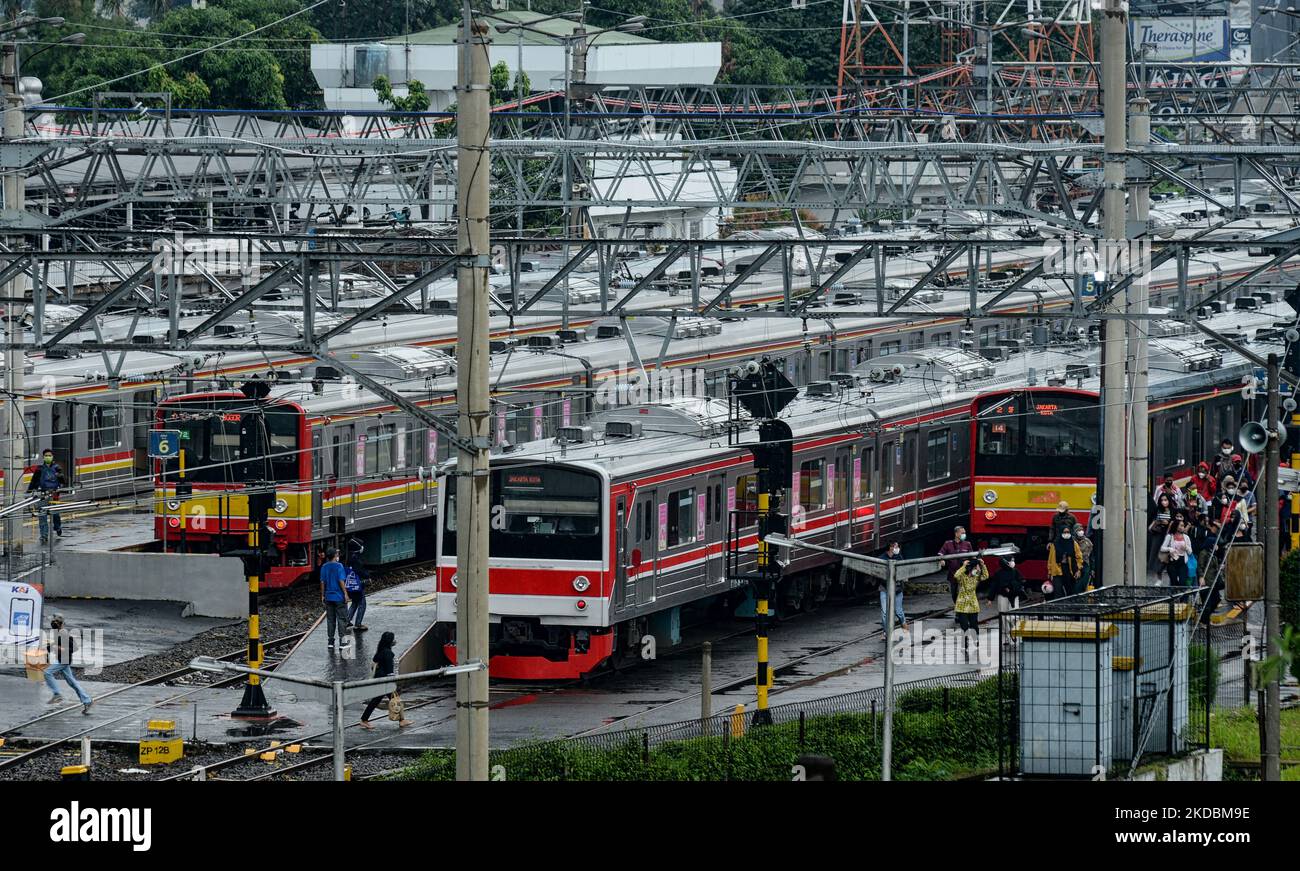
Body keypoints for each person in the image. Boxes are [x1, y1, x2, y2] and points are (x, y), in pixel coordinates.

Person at [358, 631, 412, 729]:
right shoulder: (388, 653)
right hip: (385, 681)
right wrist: (393, 682)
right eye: (393, 639)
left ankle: (365, 720)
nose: (395, 641)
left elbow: (374, 660)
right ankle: (401, 720)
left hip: (379, 679)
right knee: (395, 699)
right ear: (390, 641)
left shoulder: (381, 650)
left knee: (379, 700)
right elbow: (389, 670)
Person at [43, 614, 92, 714]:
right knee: (72, 682)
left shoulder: (64, 634)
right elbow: (56, 645)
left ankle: (57, 695)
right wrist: (48, 646)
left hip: (64, 660)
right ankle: (87, 700)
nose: (53, 625)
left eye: (55, 623)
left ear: (60, 625)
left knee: (47, 672)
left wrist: (60, 648)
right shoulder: (58, 633)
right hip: (62, 659)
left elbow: (74, 648)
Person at [27, 448, 66, 544]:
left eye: (49, 455)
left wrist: (61, 478)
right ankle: (44, 535)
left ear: (52, 457)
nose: (48, 457)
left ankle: (57, 527)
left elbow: (63, 482)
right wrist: (29, 491)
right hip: (42, 494)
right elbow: (34, 481)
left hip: (54, 495)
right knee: (42, 515)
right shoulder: (40, 469)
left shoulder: (57, 468)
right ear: (43, 457)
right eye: (46, 456)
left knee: (55, 514)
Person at [320, 547, 350, 650]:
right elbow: (341, 580)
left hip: (329, 597)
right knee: (342, 619)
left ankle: (331, 642)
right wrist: (345, 593)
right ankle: (342, 643)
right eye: (337, 554)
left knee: (330, 620)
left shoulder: (324, 567)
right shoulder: (339, 566)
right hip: (338, 597)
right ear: (334, 556)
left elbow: (323, 582)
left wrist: (323, 595)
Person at [938, 526, 973, 602]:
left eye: (965, 533)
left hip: (965, 573)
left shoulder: (967, 544)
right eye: (962, 533)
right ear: (956, 534)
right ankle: (956, 606)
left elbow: (972, 557)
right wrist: (942, 559)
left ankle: (962, 608)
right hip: (953, 573)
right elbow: (941, 553)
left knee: (964, 592)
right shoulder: (948, 544)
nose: (964, 534)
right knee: (954, 592)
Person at [952, 557, 985, 634]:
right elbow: (956, 575)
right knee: (964, 626)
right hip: (962, 605)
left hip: (973, 604)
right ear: (971, 568)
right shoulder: (962, 576)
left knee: (974, 625)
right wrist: (964, 566)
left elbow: (986, 576)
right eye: (976, 567)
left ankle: (976, 641)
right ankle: (965, 642)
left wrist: (983, 565)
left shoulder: (976, 577)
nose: (978, 569)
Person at [1047, 527, 1083, 598]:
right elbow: (1050, 559)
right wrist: (1050, 572)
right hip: (1057, 570)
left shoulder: (1074, 543)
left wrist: (1078, 569)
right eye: (1064, 532)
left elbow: (1079, 558)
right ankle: (1058, 607)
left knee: (1070, 591)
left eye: (1068, 532)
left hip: (1070, 569)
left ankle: (1069, 607)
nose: (1066, 534)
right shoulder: (1055, 544)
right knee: (1058, 592)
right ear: (1061, 533)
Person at [987, 555, 1024, 622]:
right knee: (1003, 615)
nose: (1013, 562)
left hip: (1014, 596)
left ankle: (1013, 631)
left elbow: (1021, 582)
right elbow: (994, 586)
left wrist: (1012, 586)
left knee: (1014, 616)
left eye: (1013, 560)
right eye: (1011, 560)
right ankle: (1005, 631)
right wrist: (990, 598)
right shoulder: (998, 573)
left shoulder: (1015, 571)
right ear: (1006, 562)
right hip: (1003, 596)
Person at [345, 539, 371, 632]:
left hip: (351, 585)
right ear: (357, 548)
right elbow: (360, 571)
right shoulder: (356, 559)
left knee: (355, 603)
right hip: (357, 585)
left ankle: (347, 621)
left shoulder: (349, 557)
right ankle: (358, 624)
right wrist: (367, 575)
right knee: (362, 604)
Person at [879, 541, 906, 630]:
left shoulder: (899, 557)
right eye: (895, 547)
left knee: (898, 611)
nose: (897, 549)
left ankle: (903, 622)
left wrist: (897, 555)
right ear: (890, 548)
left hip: (897, 589)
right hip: (885, 588)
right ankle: (886, 632)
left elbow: (903, 568)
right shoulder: (882, 558)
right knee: (884, 612)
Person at [1160, 518, 1194, 587]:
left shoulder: (1186, 537)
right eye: (1181, 525)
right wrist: (1170, 549)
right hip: (1172, 561)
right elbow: (1162, 548)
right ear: (1176, 526)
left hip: (1183, 561)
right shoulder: (1170, 536)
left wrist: (1186, 548)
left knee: (1182, 582)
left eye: (1183, 526)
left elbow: (1190, 552)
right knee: (1174, 582)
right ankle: (1175, 597)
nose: (1183, 527)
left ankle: (1181, 597)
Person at [1147, 495, 1174, 581]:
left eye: (1165, 500)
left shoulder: (1173, 511)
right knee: (1156, 554)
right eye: (1162, 500)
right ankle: (1158, 577)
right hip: (1158, 535)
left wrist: (1169, 523)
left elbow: (1174, 522)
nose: (1164, 502)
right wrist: (1158, 522)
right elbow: (1153, 522)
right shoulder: (1157, 511)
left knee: (1168, 555)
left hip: (1169, 535)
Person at [1073, 523, 1094, 590]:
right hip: (1075, 565)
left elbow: (1091, 556)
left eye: (1081, 530)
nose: (1080, 532)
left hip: (1086, 564)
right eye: (1078, 530)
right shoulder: (1071, 542)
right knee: (1076, 585)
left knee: (1085, 583)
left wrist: (1092, 568)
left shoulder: (1088, 542)